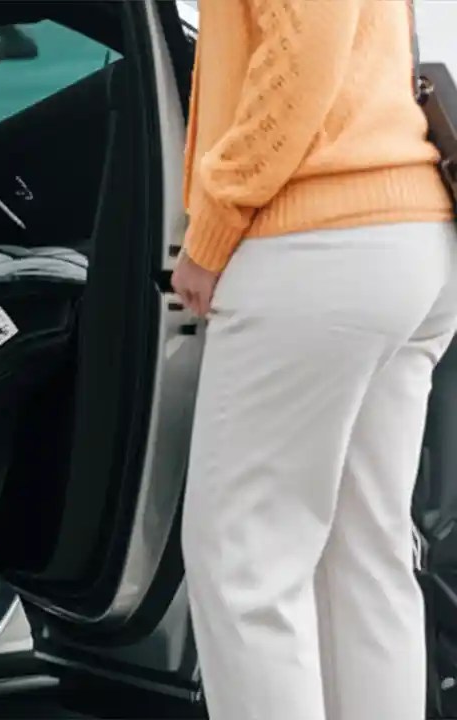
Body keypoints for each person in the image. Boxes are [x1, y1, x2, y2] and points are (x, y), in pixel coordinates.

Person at [171, 1, 457, 719]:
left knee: (245, 562)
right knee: (363, 553)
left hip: (316, 242)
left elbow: (301, 64)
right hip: (404, 236)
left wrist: (211, 228)